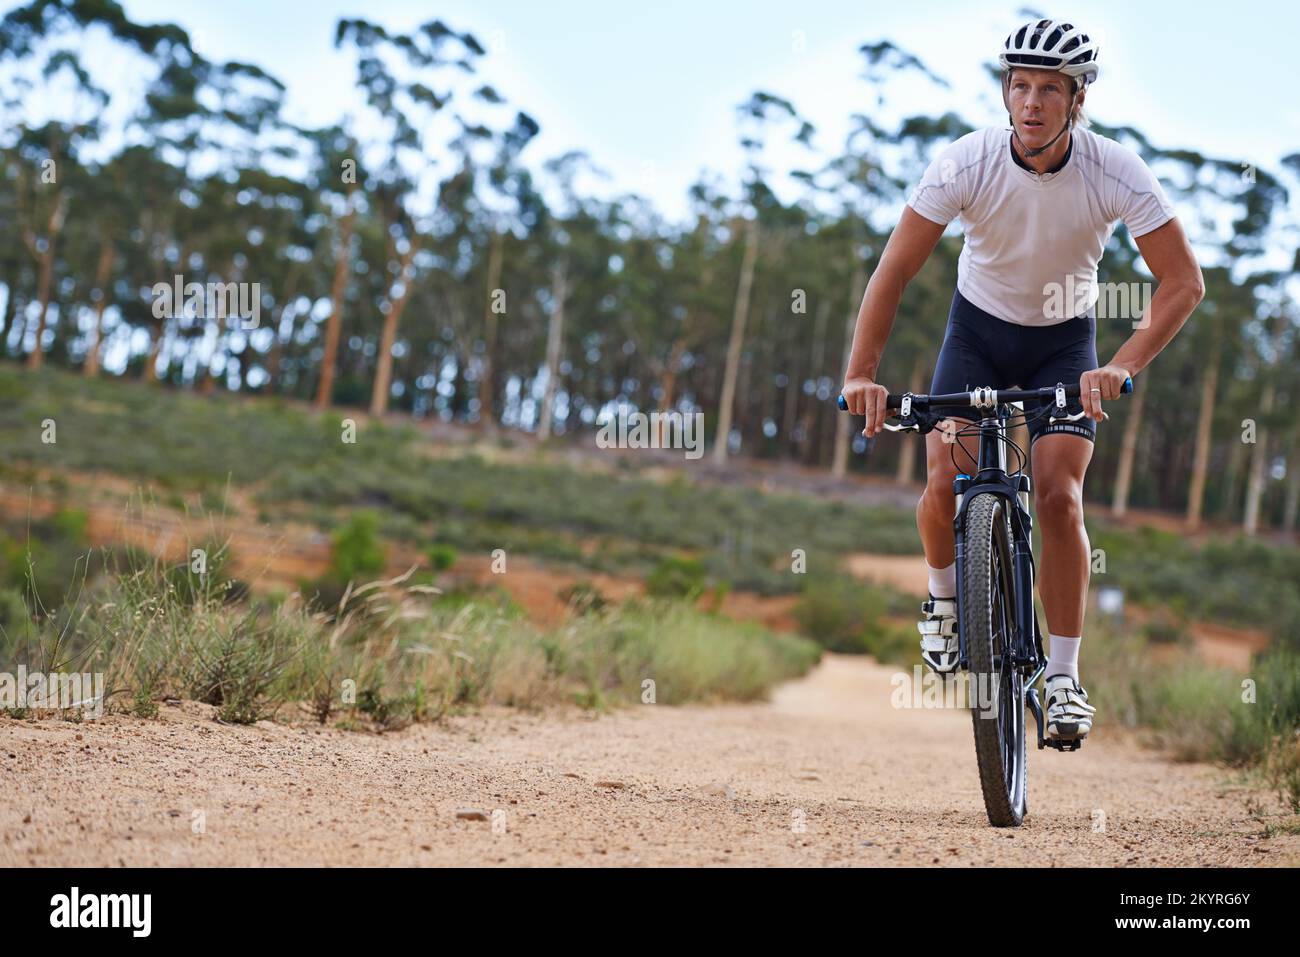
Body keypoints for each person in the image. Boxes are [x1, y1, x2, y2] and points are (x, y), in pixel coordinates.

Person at [839, 18, 1204, 742]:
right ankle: (945, 600)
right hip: (976, 333)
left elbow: (1182, 283)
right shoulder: (965, 162)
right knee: (945, 472)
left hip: (1065, 346)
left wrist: (1120, 367)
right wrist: (861, 374)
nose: (1032, 102)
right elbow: (896, 270)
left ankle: (1064, 679)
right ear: (1006, 94)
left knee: (1059, 494)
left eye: (1050, 89)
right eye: (1020, 86)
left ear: (1077, 101)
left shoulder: (1115, 170)